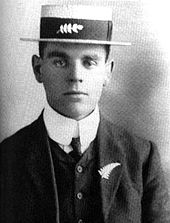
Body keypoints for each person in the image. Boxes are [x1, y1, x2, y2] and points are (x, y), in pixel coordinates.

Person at [0, 4, 170, 223]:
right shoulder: (8, 158)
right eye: (60, 62)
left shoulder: (141, 158)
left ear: (107, 72)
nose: (75, 75)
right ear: (38, 69)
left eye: (89, 62)